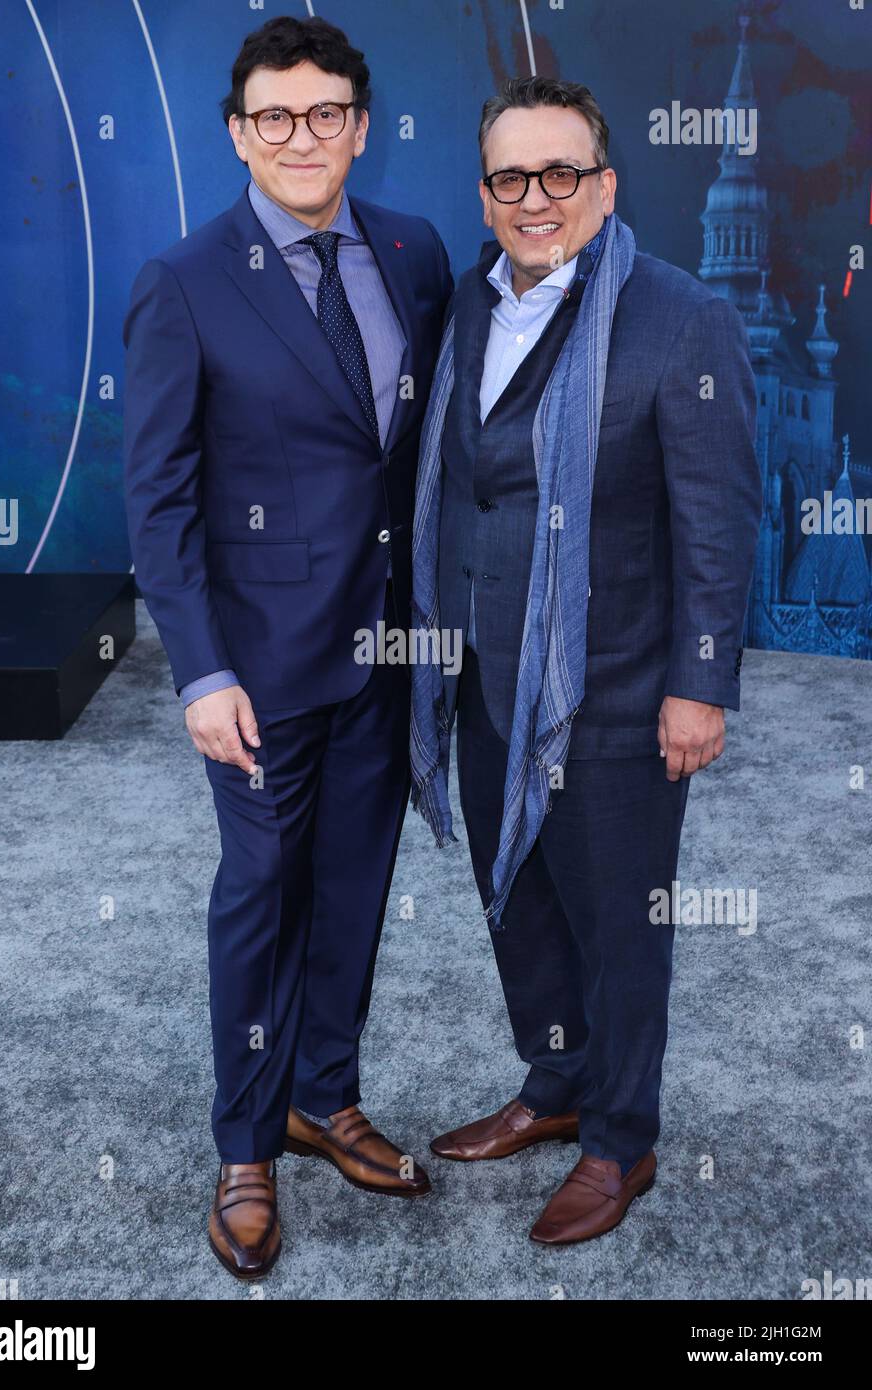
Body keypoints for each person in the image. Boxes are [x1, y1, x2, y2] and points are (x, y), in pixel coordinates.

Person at [123, 16, 452, 1280]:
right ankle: (248, 1146)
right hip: (254, 671)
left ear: (360, 129)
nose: (301, 137)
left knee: (355, 885)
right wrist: (198, 668)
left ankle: (325, 1094)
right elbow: (156, 497)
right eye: (275, 117)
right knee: (261, 892)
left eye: (325, 115)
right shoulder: (185, 280)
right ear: (237, 134)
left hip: (388, 650)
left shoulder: (415, 253)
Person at [410, 76, 762, 1245]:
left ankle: (620, 1137)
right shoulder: (464, 306)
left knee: (620, 926)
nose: (535, 197)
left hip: (610, 691)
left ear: (604, 187)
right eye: (511, 177)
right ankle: (554, 1086)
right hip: (482, 678)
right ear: (485, 194)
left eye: (561, 173)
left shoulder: (678, 316)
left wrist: (698, 684)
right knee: (518, 901)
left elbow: (717, 516)